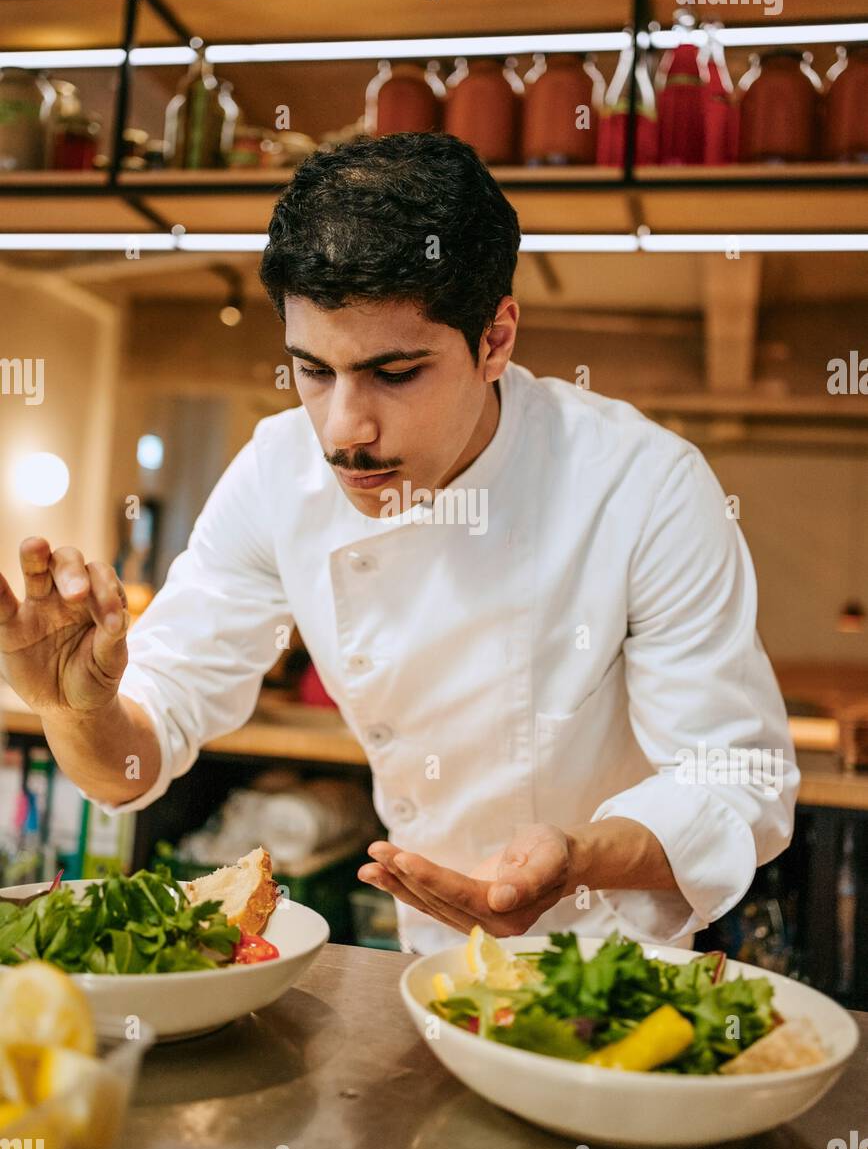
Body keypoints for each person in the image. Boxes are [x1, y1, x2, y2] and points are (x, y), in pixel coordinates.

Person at [0, 132, 798, 955]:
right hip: (424, 961)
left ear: (496, 340)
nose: (346, 431)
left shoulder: (643, 485)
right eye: (313, 371)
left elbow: (738, 786)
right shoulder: (279, 475)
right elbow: (139, 752)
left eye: (395, 372)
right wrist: (75, 711)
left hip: (614, 964)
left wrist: (577, 857)